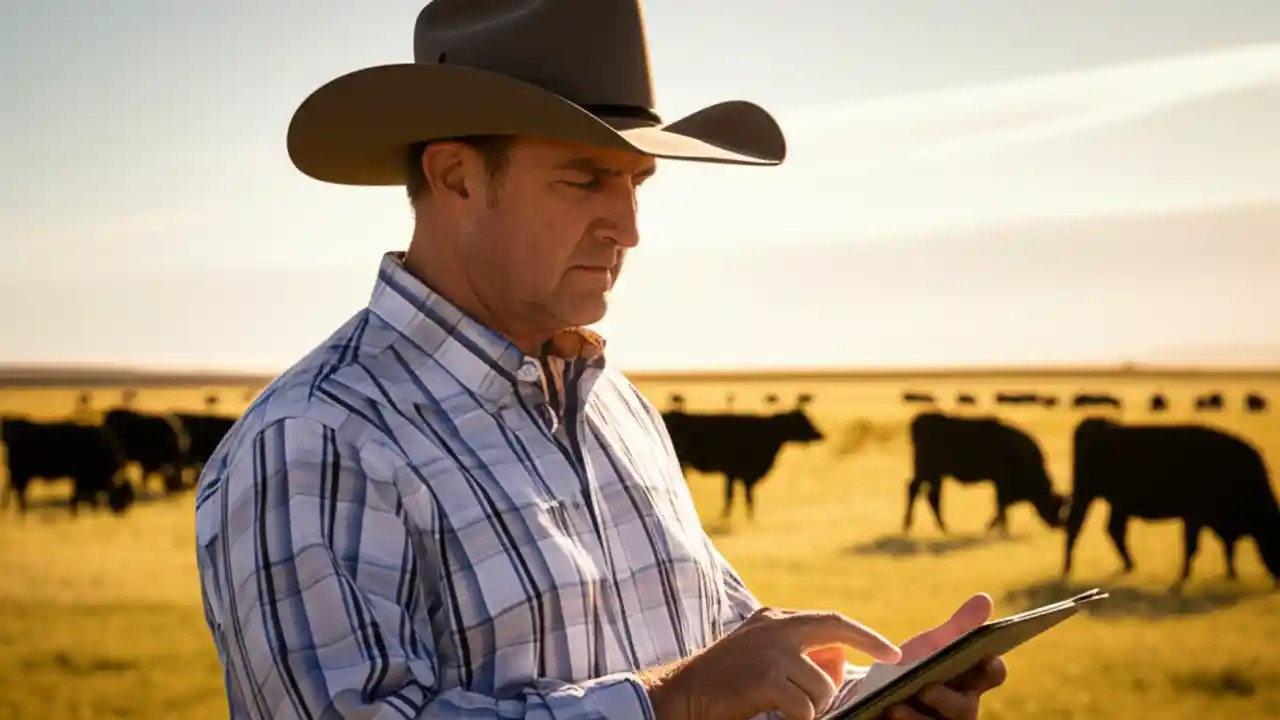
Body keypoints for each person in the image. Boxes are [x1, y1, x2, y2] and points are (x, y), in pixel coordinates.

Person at [193, 2, 1007, 719]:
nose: (628, 227)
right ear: (456, 177)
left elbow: (725, 669)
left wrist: (866, 702)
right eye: (585, 180)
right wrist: (673, 702)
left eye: (636, 184)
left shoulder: (619, 412)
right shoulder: (317, 441)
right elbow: (700, 688)